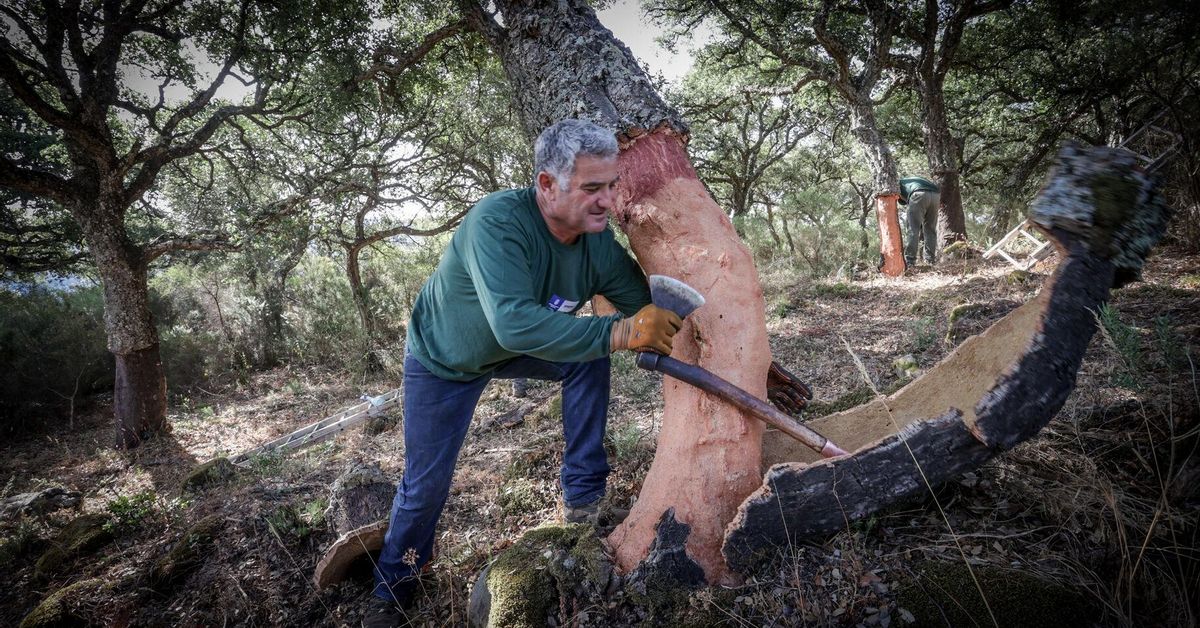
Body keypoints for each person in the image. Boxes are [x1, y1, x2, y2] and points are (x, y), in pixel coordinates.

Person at [365, 119, 682, 624]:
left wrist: (680, 325)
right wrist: (621, 333)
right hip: (445, 359)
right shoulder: (496, 222)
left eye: (611, 186)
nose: (607, 202)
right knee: (426, 483)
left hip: (515, 348)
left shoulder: (598, 244)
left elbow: (642, 308)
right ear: (546, 185)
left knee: (586, 359)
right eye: (591, 188)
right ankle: (392, 587)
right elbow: (513, 323)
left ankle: (582, 505)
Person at [898, 176, 941, 268]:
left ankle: (910, 261)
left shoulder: (897, 185)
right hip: (936, 195)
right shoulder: (910, 181)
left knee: (913, 229)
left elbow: (904, 200)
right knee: (930, 230)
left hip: (918, 193)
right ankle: (930, 260)